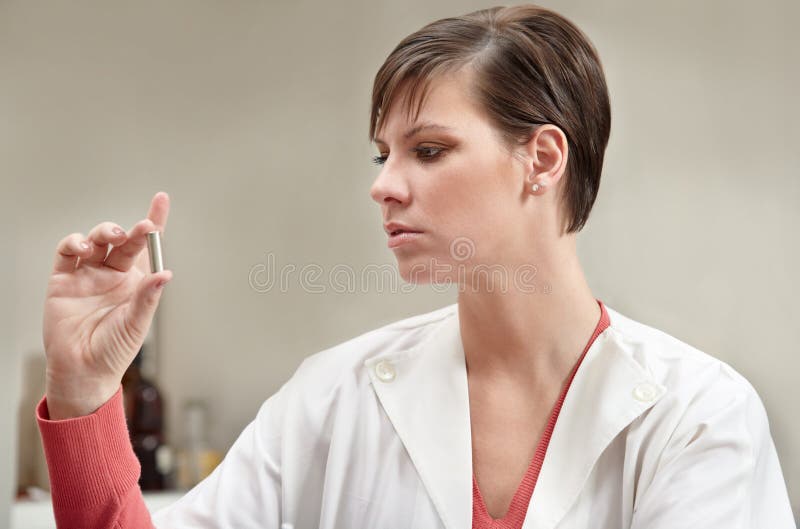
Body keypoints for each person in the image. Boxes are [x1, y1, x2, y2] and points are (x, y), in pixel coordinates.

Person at [36, 5, 796, 529]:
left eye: (429, 150)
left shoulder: (696, 417)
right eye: (384, 155)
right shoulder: (333, 396)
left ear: (542, 159)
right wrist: (84, 390)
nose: (385, 185)